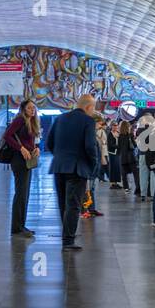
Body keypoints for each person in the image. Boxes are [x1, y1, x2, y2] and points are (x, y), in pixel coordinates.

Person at [46, 95, 99, 251]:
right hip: (77, 167)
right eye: (93, 108)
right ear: (89, 107)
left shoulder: (60, 118)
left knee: (63, 203)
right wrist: (92, 164)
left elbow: (49, 142)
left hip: (59, 166)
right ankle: (68, 240)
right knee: (74, 205)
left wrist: (60, 156)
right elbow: (90, 146)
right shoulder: (88, 121)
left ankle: (66, 235)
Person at [4, 100, 41, 236]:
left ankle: (21, 226)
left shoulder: (31, 121)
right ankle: (17, 228)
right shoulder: (19, 120)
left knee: (24, 194)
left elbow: (30, 141)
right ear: (24, 109)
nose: (33, 110)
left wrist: (36, 149)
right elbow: (7, 135)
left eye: (34, 108)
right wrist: (21, 148)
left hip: (28, 160)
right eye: (30, 108)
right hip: (19, 160)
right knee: (21, 194)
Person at [134, 113, 155, 202]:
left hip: (142, 154)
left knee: (143, 174)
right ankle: (153, 194)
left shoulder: (138, 130)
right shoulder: (153, 129)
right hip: (151, 154)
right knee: (153, 175)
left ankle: (143, 194)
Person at [118, 120, 139, 195]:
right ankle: (137, 188)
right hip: (131, 157)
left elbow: (119, 147)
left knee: (124, 174)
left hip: (123, 157)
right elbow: (135, 145)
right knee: (135, 173)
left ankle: (126, 188)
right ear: (128, 127)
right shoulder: (130, 135)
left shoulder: (119, 136)